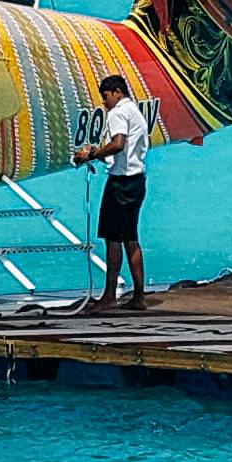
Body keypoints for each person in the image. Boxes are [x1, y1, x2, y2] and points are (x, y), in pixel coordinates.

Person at [88, 70, 152, 311]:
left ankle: (109, 296)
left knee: (113, 239)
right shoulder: (135, 112)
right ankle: (138, 295)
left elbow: (117, 144)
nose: (104, 103)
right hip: (137, 180)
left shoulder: (118, 113)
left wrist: (92, 154)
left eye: (106, 96)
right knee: (130, 238)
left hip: (121, 183)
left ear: (117, 92)